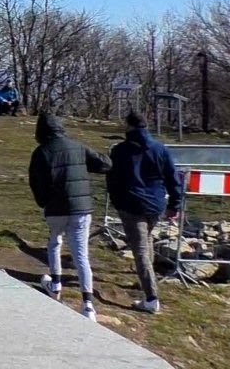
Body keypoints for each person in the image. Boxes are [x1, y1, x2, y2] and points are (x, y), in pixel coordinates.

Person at [28, 111, 112, 322]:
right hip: (81, 208)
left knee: (54, 242)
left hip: (56, 208)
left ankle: (55, 284)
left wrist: (43, 202)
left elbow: (35, 182)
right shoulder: (78, 147)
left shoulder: (41, 152)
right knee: (81, 254)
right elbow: (105, 164)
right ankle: (88, 305)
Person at [106, 111, 183, 314]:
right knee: (146, 240)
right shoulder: (160, 149)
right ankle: (147, 283)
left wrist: (116, 200)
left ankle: (151, 298)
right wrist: (174, 205)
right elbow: (173, 179)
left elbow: (112, 179)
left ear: (129, 126)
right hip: (155, 204)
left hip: (131, 205)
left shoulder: (120, 150)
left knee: (140, 250)